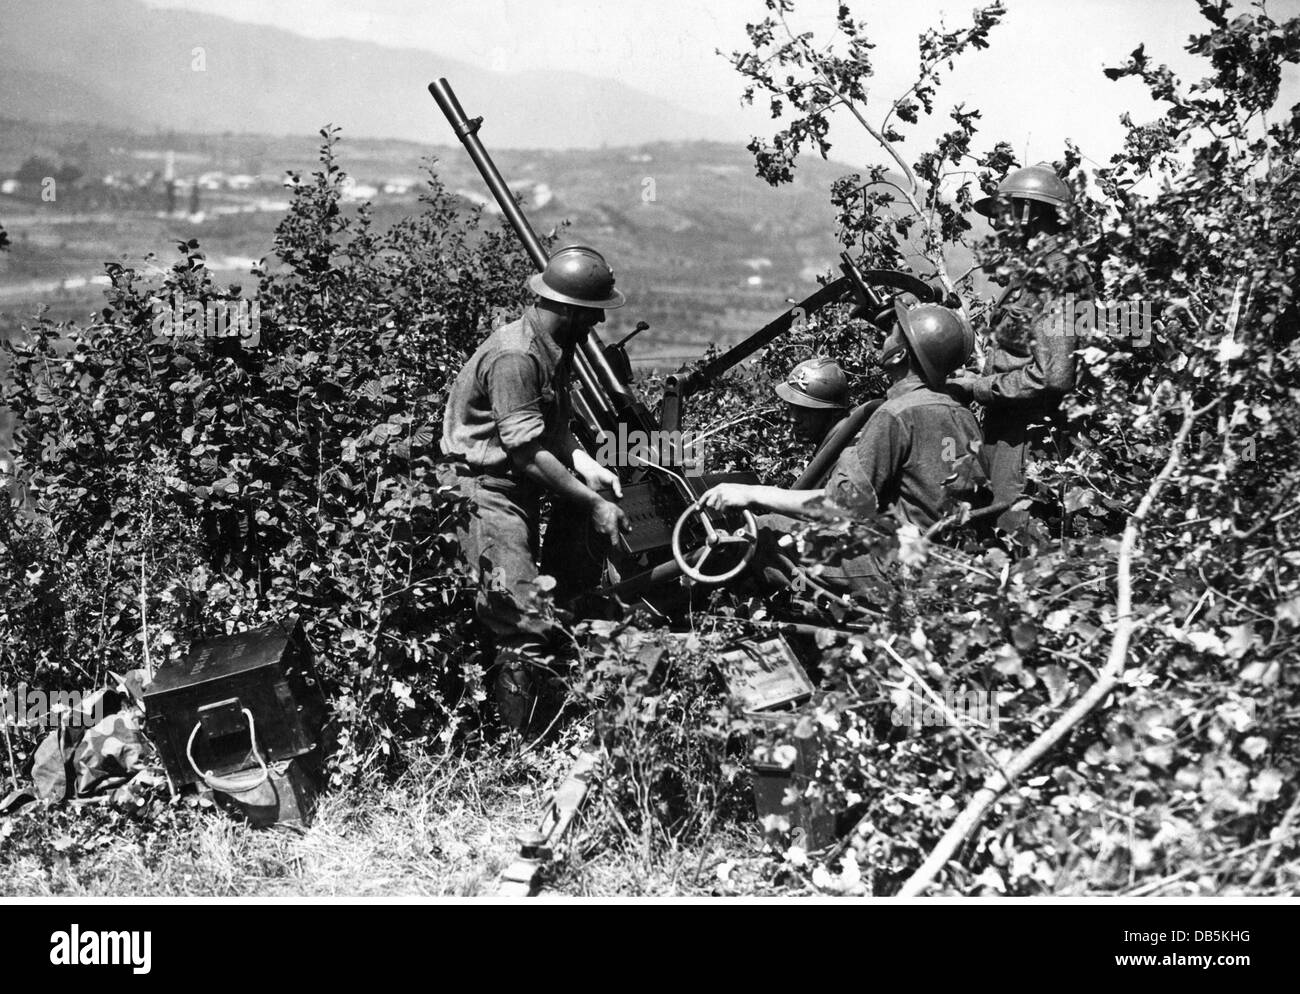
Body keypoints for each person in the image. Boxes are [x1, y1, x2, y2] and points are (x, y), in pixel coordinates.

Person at [441, 245, 630, 733]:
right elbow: (526, 452)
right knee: (523, 620)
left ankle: (530, 724)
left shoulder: (554, 347)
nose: (598, 323)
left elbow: (553, 430)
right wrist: (593, 504)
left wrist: (587, 467)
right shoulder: (517, 356)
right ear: (567, 308)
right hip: (484, 495)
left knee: (543, 607)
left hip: (514, 490)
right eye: (592, 313)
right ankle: (516, 758)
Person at [699, 303, 985, 595]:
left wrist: (752, 493)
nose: (884, 338)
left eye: (892, 333)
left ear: (899, 354)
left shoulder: (895, 414)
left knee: (758, 533)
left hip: (901, 570)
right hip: (947, 560)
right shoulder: (961, 414)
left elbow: (841, 506)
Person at [949, 162, 1091, 526]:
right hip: (1011, 435)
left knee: (1017, 541)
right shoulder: (1039, 273)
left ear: (1028, 214)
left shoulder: (1057, 275)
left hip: (1029, 444)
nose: (997, 226)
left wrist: (977, 388)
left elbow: (1054, 377)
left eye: (1003, 214)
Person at [774, 356, 850, 456]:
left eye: (805, 410)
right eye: (791, 407)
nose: (793, 418)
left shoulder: (845, 457)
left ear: (836, 412)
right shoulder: (834, 448)